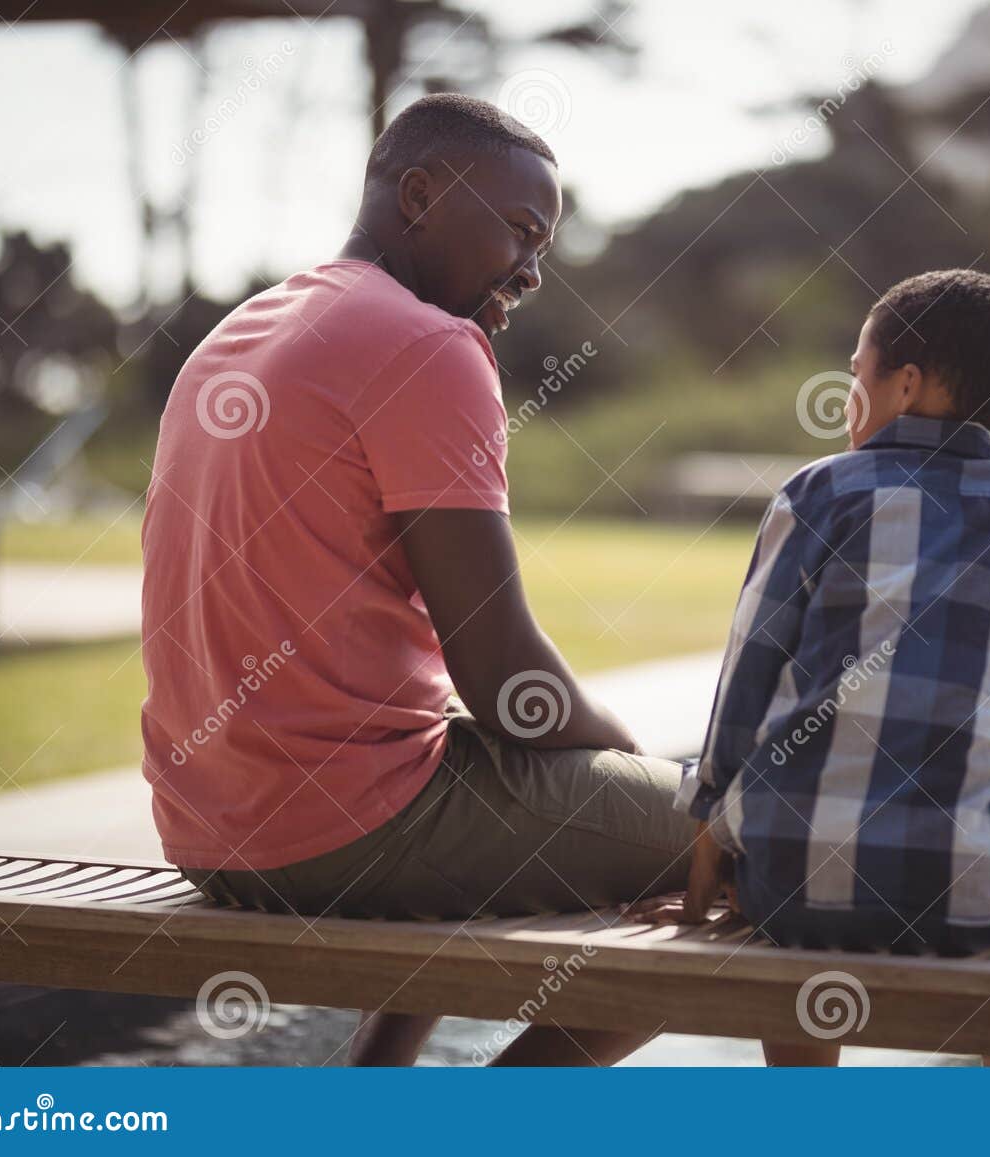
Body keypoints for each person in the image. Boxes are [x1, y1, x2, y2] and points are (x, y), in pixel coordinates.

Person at [140, 94, 697, 1067]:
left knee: (497, 782)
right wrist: (651, 780)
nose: (529, 270)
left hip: (205, 823)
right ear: (420, 193)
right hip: (338, 831)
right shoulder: (429, 347)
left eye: (544, 246)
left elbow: (477, 716)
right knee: (750, 842)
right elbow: (506, 681)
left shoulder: (242, 331)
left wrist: (610, 787)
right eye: (519, 232)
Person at [631, 269, 990, 1066]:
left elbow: (746, 687)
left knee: (796, 913)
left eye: (857, 375)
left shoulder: (816, 496)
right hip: (989, 898)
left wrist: (707, 867)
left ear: (908, 386)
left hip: (796, 890)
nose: (849, 394)